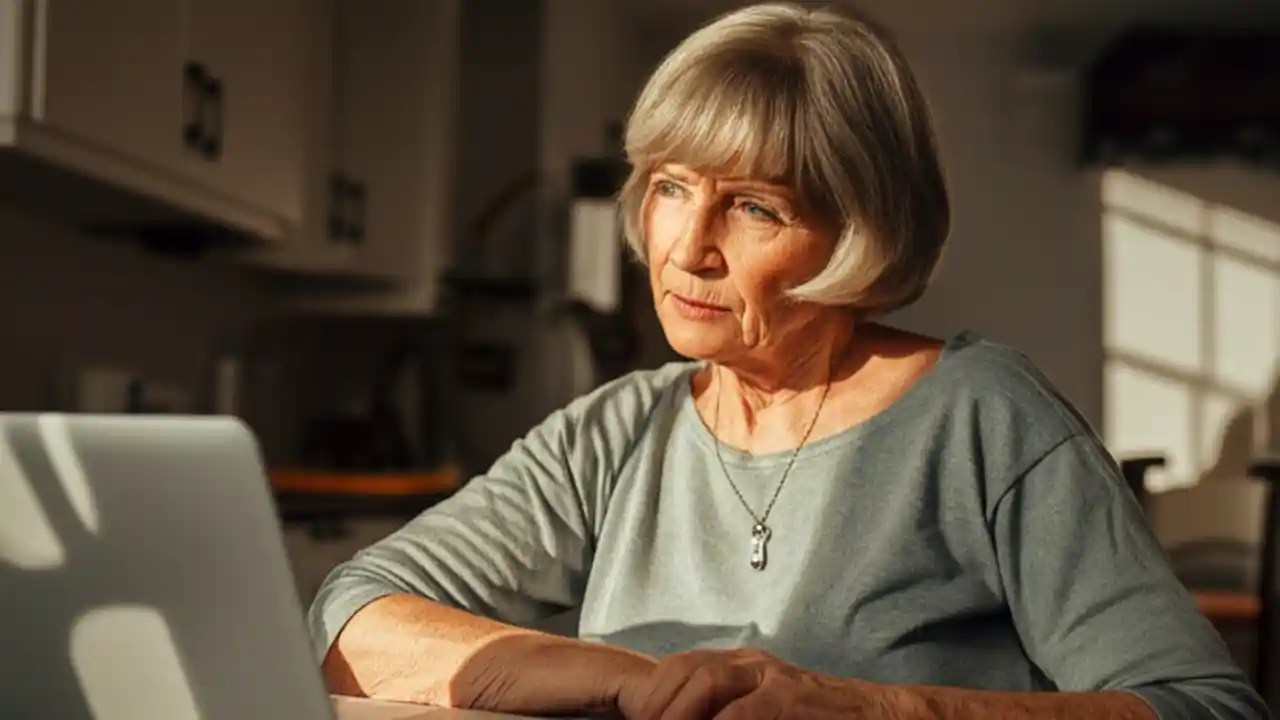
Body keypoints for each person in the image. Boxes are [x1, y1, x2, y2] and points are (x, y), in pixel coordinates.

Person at [308, 3, 1267, 719]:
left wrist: (871, 709)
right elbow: (348, 613)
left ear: (861, 233)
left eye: (755, 206)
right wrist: (618, 679)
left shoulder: (983, 416)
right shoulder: (612, 433)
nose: (689, 246)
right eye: (673, 187)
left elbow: (1202, 706)